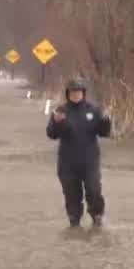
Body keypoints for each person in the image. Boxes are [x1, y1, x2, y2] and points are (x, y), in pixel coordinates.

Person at [46, 78, 112, 228]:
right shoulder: (61, 111)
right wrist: (57, 122)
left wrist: (106, 120)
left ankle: (97, 217)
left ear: (83, 93)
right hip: (67, 162)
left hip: (89, 161)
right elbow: (51, 134)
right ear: (68, 94)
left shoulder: (93, 110)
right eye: (73, 92)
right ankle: (74, 222)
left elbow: (104, 133)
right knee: (71, 193)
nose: (76, 95)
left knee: (93, 189)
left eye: (78, 92)